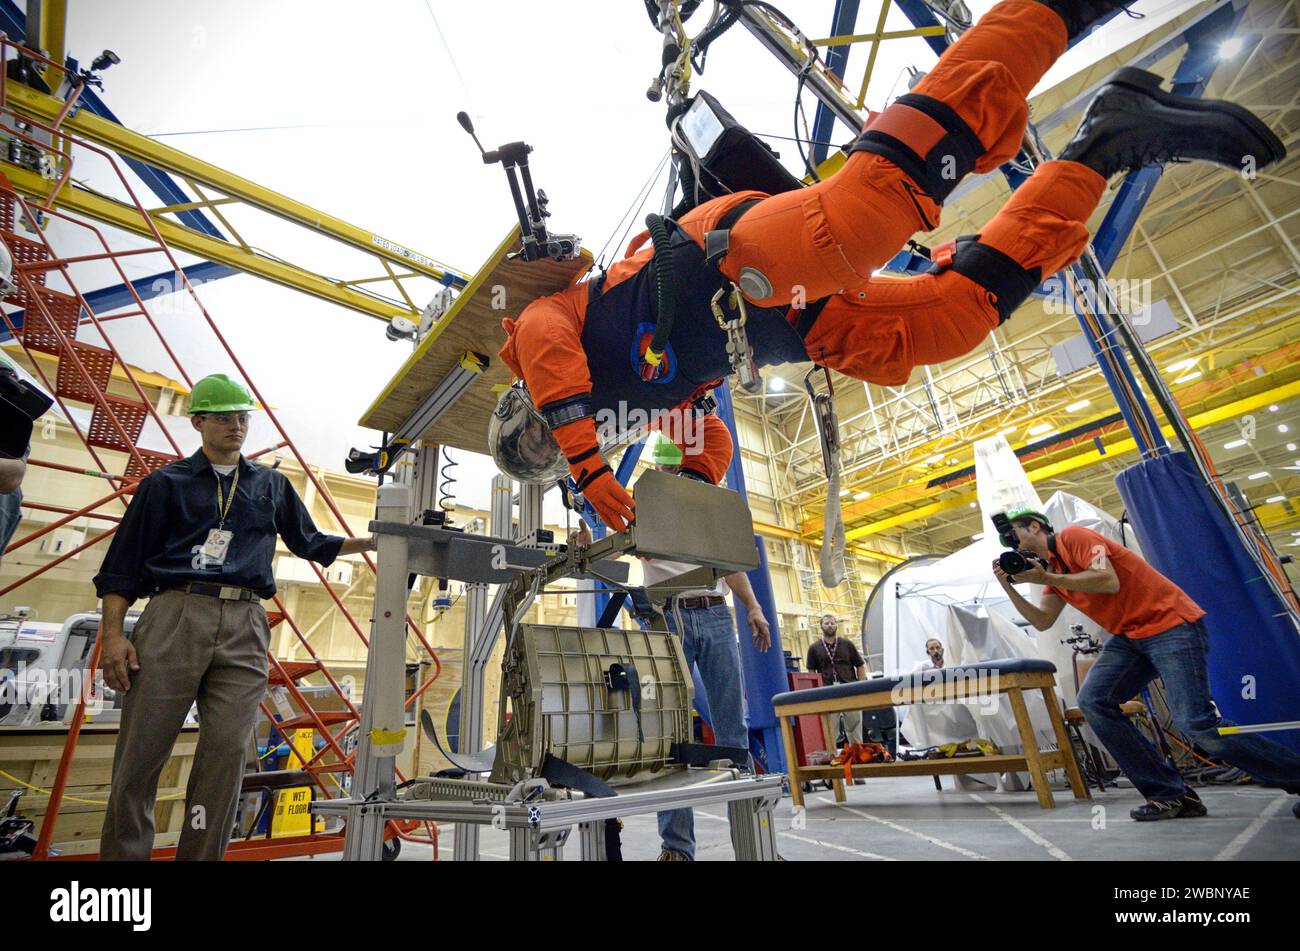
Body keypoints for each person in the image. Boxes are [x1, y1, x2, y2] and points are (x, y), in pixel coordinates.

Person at [488, 0, 1285, 532]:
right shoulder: (630, 404)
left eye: (532, 444)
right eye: (541, 464)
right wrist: (694, 490)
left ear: (523, 412)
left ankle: (1056, 12)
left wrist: (591, 465)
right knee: (946, 325)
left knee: (859, 221)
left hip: (726, 260)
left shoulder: (540, 339)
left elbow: (552, 349)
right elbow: (706, 433)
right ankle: (1105, 143)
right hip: (787, 325)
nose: (546, 453)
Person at [93, 373, 375, 860]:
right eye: (223, 417)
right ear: (198, 421)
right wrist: (113, 636)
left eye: (242, 417)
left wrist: (372, 541)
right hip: (177, 612)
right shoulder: (164, 484)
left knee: (225, 756)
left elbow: (312, 543)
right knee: (141, 756)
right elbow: (121, 568)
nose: (236, 426)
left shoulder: (271, 485)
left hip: (246, 623)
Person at [992, 507, 1300, 821]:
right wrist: (1008, 586)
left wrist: (1047, 576)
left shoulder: (1073, 537)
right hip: (1130, 637)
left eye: (1014, 536)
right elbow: (1042, 621)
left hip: (1170, 626)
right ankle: (1169, 795)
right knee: (1093, 702)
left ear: (1035, 526)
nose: (1013, 546)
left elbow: (1107, 581)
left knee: (1196, 723)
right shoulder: (1053, 573)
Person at [575, 434, 772, 861]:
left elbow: (730, 565)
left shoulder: (707, 507)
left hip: (716, 614)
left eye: (686, 471)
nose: (679, 477)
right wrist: (583, 542)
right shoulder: (639, 508)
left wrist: (753, 608)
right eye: (672, 471)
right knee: (671, 736)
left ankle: (752, 846)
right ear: (662, 471)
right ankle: (677, 850)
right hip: (667, 617)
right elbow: (611, 545)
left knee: (733, 731)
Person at [805, 614, 866, 746]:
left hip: (849, 690)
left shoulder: (847, 644)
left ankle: (858, 756)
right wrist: (816, 692)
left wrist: (860, 686)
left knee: (855, 726)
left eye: (832, 623)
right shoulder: (814, 648)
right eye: (826, 623)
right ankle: (831, 757)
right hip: (828, 693)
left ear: (837, 625)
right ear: (821, 626)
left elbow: (860, 666)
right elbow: (811, 672)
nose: (830, 625)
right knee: (829, 729)